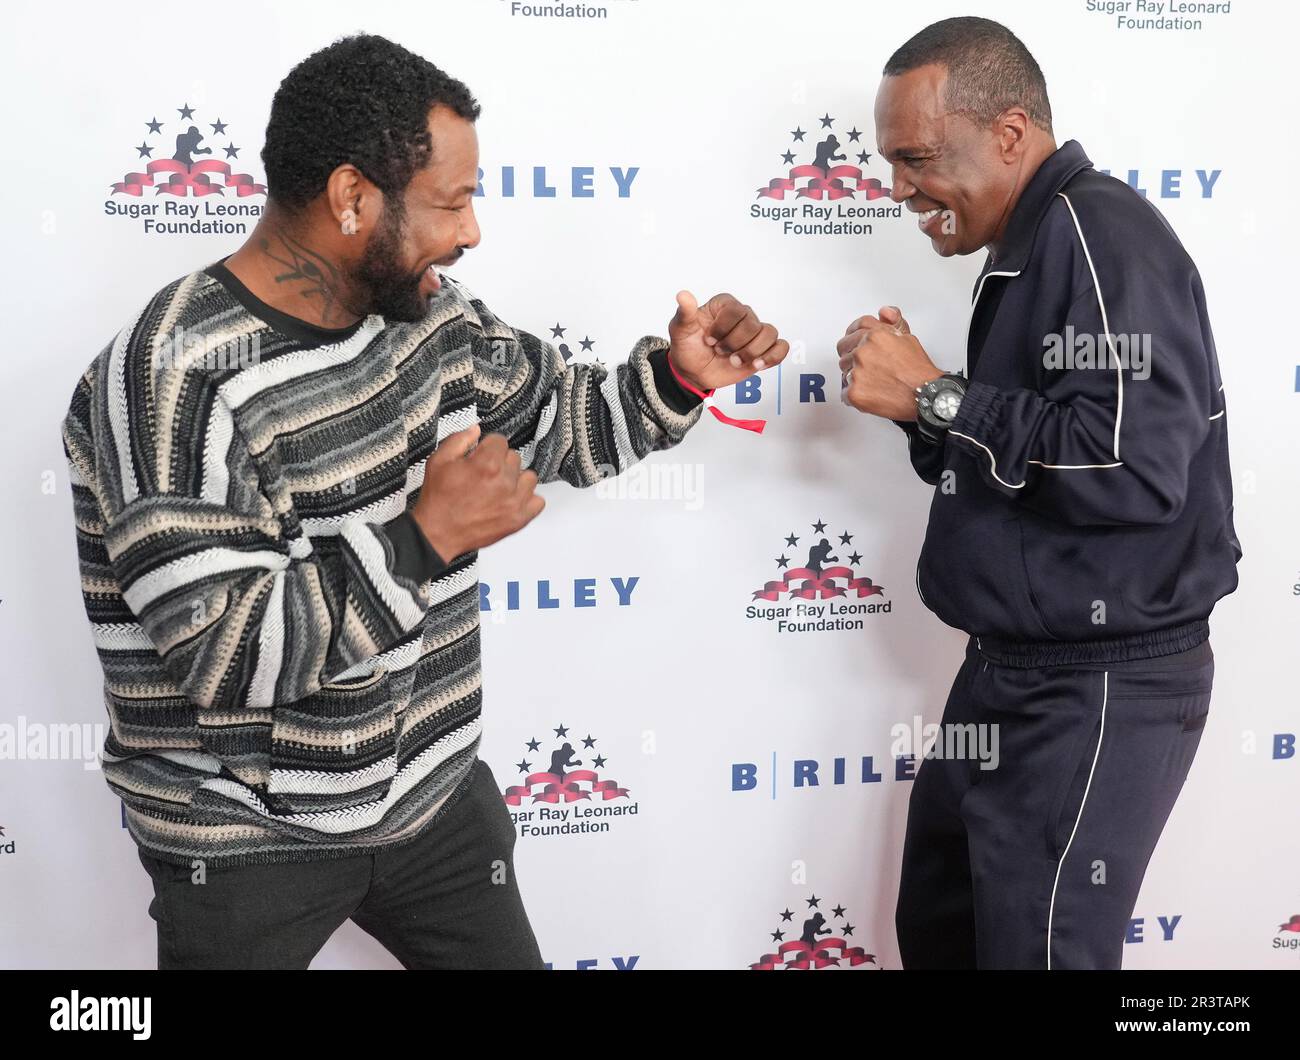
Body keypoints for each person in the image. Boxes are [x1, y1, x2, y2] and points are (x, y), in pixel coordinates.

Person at [62, 33, 787, 970]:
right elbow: (226, 655)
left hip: (433, 801)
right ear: (352, 197)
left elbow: (557, 421)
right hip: (243, 843)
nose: (472, 230)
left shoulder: (435, 318)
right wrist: (424, 537)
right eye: (451, 202)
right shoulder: (169, 379)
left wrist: (677, 381)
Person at [838, 17, 1239, 969]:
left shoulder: (1100, 233)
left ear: (1009, 135)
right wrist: (923, 412)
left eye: (918, 158)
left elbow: (1129, 467)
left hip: (1099, 682)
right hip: (1011, 667)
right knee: (945, 931)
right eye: (890, 162)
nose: (899, 189)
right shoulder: (1035, 243)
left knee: (1039, 954)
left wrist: (939, 393)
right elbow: (1033, 461)